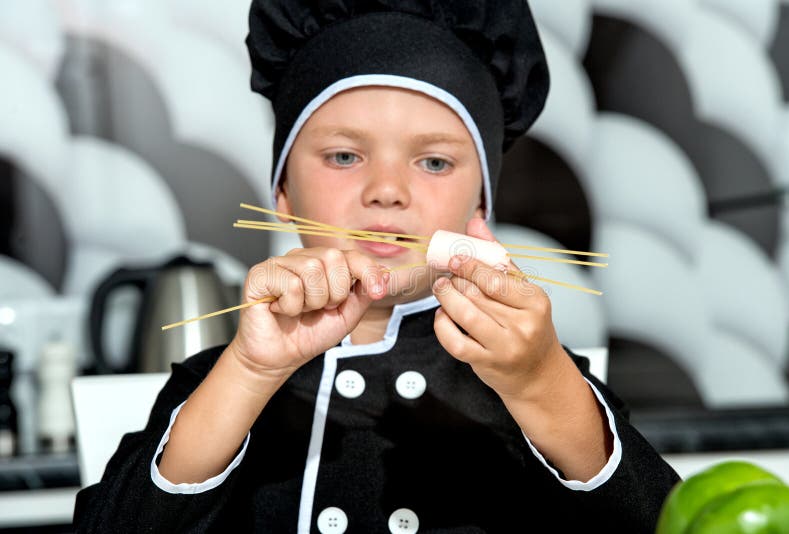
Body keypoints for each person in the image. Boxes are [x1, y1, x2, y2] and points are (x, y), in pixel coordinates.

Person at [73, 1, 680, 532]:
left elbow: (667, 523)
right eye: (343, 155)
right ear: (282, 190)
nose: (387, 190)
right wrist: (249, 371)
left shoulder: (537, 375)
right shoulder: (219, 381)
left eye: (435, 163)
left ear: (482, 203)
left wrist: (544, 384)